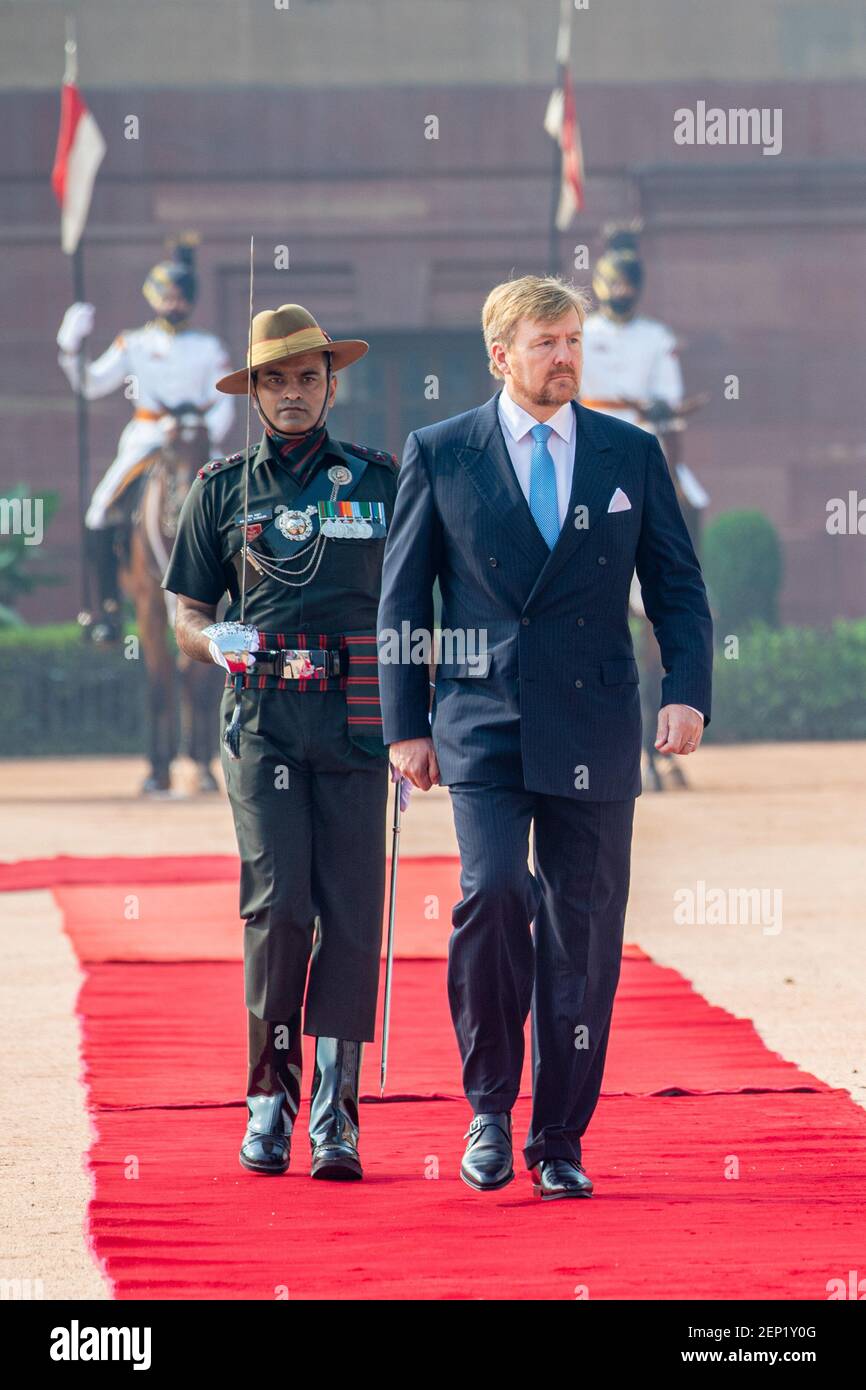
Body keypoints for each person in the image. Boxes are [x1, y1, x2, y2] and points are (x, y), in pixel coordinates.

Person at [378, 275, 713, 1200]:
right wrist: (406, 725)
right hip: (481, 724)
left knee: (586, 930)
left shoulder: (630, 452)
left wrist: (687, 692)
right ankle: (488, 1107)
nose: (565, 356)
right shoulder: (439, 453)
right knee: (491, 898)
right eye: (546, 342)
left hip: (598, 722)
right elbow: (404, 600)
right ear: (500, 355)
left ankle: (559, 1136)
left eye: (573, 340)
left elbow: (677, 586)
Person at [161, 303, 401, 1181]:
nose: (293, 393)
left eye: (308, 377)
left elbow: (415, 603)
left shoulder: (379, 482)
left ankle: (336, 1115)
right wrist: (209, 640)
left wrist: (416, 716)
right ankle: (271, 1098)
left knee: (350, 908)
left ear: (331, 383)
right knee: (277, 908)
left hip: (356, 719)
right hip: (262, 724)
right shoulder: (221, 490)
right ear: (253, 392)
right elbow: (185, 609)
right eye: (275, 380)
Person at [56, 235, 234, 641]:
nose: (174, 304)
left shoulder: (210, 347)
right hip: (147, 436)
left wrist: (203, 433)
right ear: (154, 297)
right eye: (167, 296)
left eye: (181, 296)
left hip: (197, 440)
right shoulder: (133, 342)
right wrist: (70, 347)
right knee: (99, 510)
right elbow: (90, 383)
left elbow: (224, 400)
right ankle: (105, 609)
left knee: (235, 506)